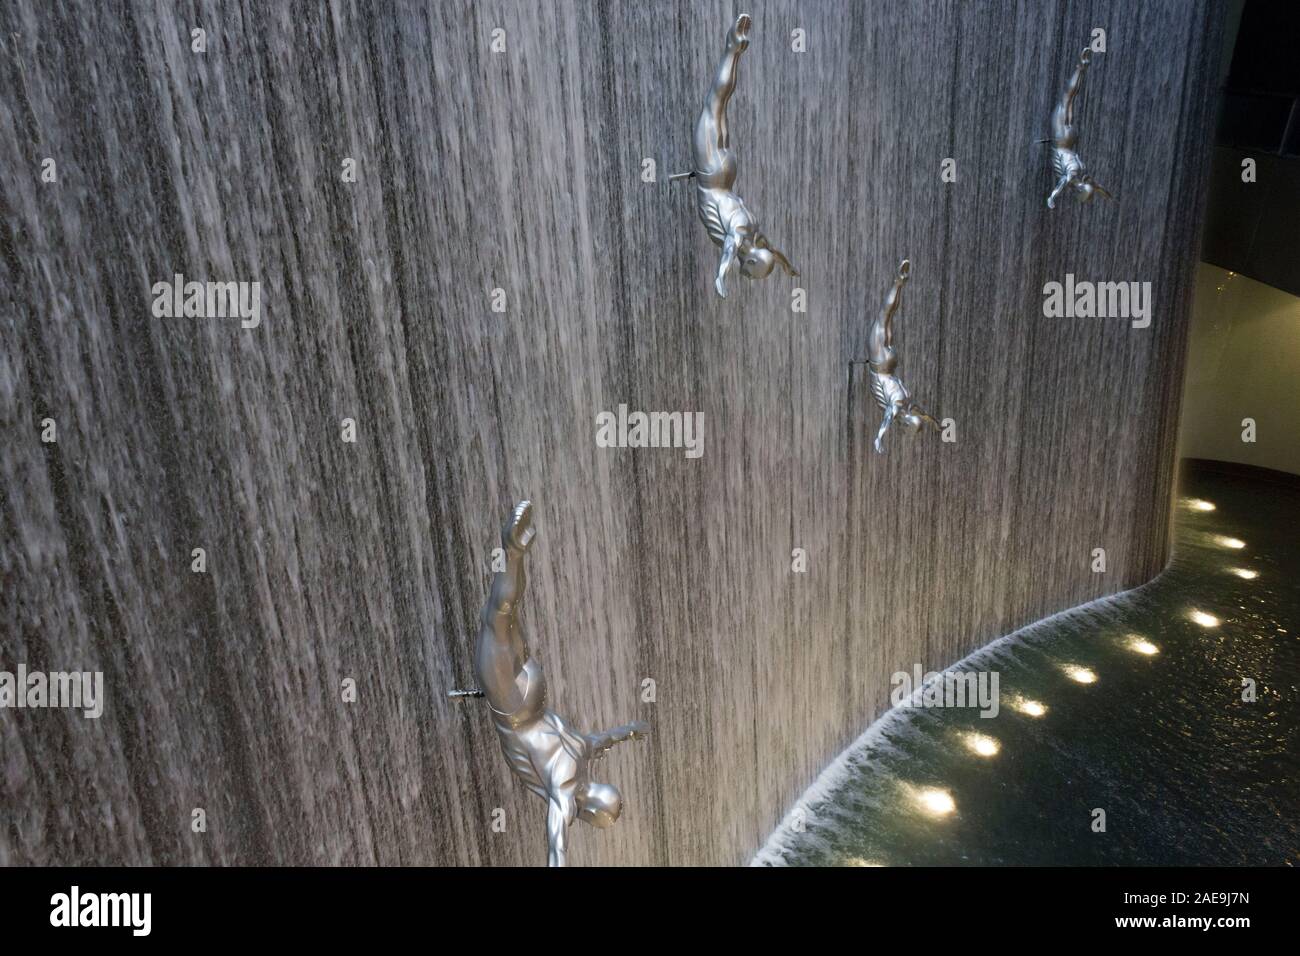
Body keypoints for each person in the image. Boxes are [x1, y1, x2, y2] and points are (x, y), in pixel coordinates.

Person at [473, 501, 648, 866]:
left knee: (505, 614)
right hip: (513, 707)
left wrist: (631, 732)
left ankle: (515, 553)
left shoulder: (582, 754)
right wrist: (627, 733)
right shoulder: (565, 792)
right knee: (498, 618)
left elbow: (606, 740)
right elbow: (557, 847)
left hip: (531, 695)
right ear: (592, 815)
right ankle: (513, 550)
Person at [682, 13, 797, 297]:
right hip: (711, 173)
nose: (746, 277)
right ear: (752, 260)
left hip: (725, 173)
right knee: (715, 102)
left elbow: (774, 251)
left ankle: (735, 51)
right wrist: (721, 277)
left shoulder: (757, 233)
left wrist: (786, 266)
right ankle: (732, 47)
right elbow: (728, 253)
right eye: (749, 274)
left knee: (719, 104)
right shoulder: (742, 234)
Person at [867, 259, 939, 453]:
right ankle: (898, 282)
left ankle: (899, 283)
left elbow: (922, 415)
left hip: (886, 363)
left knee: (886, 315)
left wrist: (936, 424)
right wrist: (878, 440)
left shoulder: (907, 403)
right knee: (885, 316)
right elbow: (888, 421)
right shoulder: (901, 406)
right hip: (880, 363)